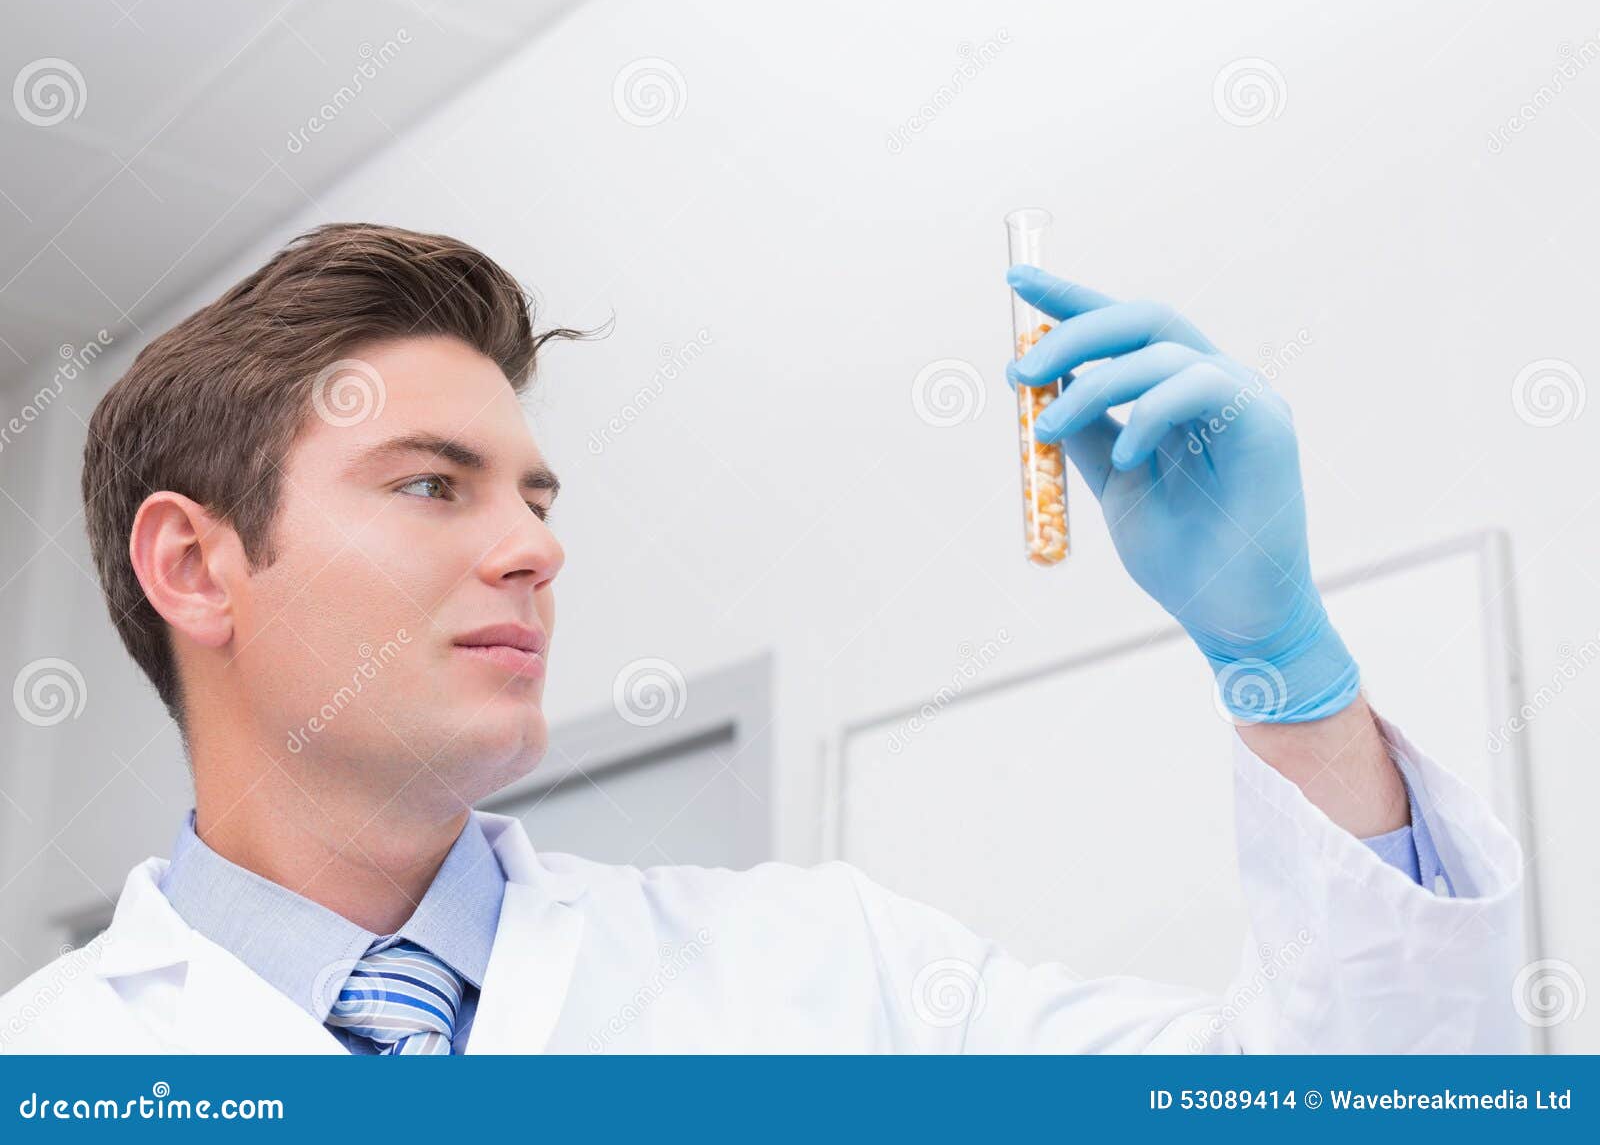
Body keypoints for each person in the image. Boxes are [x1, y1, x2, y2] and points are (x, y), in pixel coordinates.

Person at [0, 224, 1522, 1054]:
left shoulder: (831, 977)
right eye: (429, 485)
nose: (538, 544)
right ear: (195, 567)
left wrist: (1281, 662)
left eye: (536, 492)